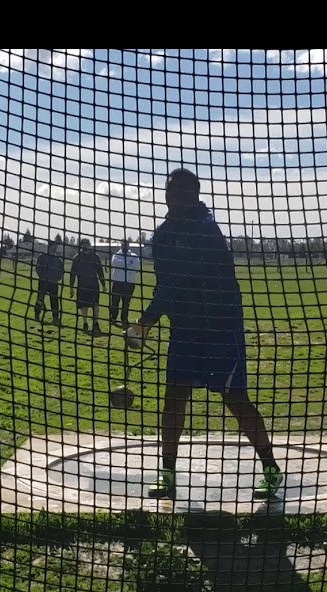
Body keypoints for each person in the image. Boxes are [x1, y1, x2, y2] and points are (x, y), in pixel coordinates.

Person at [124, 169, 283, 500]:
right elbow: (165, 282)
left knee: (235, 400)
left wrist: (147, 320)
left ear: (195, 194)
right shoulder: (164, 234)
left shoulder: (205, 230)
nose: (175, 196)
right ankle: (167, 471)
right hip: (185, 329)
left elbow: (178, 278)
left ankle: (270, 469)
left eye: (182, 191)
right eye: (171, 190)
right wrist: (150, 319)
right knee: (173, 398)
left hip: (220, 326)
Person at [69, 238, 106, 335]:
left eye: (87, 244)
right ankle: (85, 323)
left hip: (93, 285)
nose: (85, 246)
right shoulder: (77, 258)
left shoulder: (95, 257)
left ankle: (96, 323)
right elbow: (72, 273)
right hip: (82, 285)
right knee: (83, 306)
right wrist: (71, 286)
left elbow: (100, 271)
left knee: (95, 305)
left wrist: (104, 285)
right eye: (83, 245)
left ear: (90, 245)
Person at [109, 238, 140, 328]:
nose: (124, 246)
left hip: (129, 282)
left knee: (126, 302)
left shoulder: (134, 256)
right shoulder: (116, 255)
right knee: (115, 301)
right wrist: (128, 263)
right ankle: (113, 317)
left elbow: (136, 266)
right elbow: (115, 263)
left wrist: (123, 264)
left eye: (126, 244)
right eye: (123, 244)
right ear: (121, 245)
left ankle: (124, 318)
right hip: (117, 281)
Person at [33, 239, 64, 326]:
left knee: (54, 300)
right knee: (40, 298)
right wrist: (42, 276)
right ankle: (37, 314)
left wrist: (57, 277)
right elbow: (38, 268)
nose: (55, 248)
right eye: (54, 246)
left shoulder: (58, 259)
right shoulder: (42, 257)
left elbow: (61, 270)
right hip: (43, 282)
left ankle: (55, 317)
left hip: (54, 283)